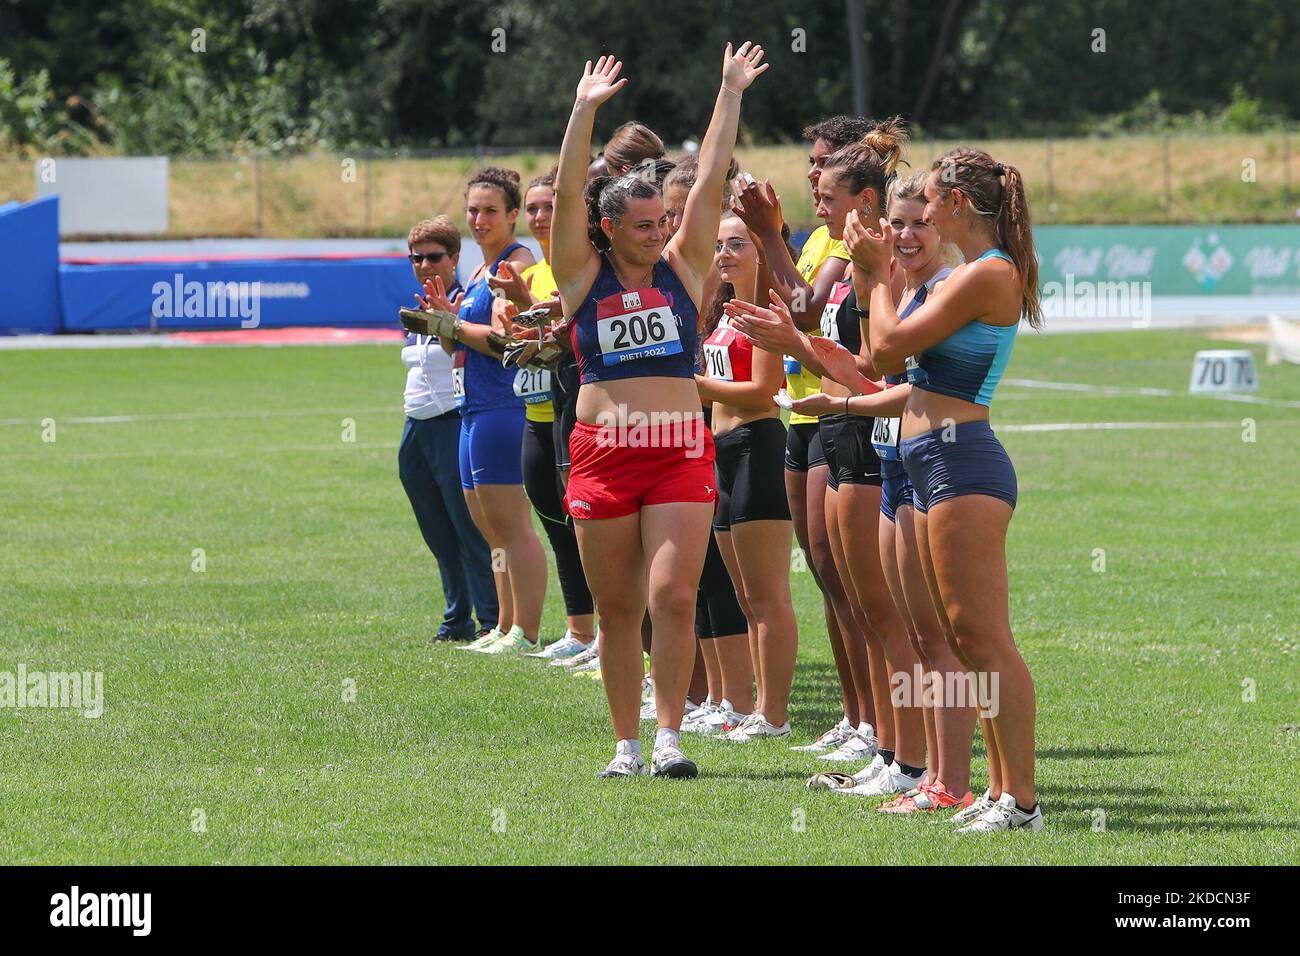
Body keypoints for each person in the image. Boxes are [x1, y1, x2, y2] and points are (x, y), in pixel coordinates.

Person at [551, 46, 768, 779]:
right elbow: (573, 196)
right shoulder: (580, 277)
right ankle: (626, 744)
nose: (656, 232)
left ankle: (670, 737)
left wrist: (728, 92)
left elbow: (710, 177)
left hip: (679, 449)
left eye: (659, 222)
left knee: (674, 594)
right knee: (618, 611)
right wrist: (583, 111)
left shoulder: (683, 268)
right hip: (603, 452)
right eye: (642, 225)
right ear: (609, 228)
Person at [844, 147, 1044, 831]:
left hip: (963, 463)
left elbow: (889, 348)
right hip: (932, 459)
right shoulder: (968, 274)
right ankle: (995, 792)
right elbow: (886, 358)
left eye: (929, 201)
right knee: (961, 639)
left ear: (957, 204)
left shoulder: (988, 274)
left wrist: (874, 274)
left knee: (984, 638)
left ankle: (1021, 799)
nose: (920, 215)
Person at [732, 116, 881, 762]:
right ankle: (856, 719)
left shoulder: (854, 242)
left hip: (846, 415)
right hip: (806, 413)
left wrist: (767, 234)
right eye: (811, 161)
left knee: (854, 582)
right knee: (827, 575)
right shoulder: (822, 235)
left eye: (823, 162)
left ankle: (882, 726)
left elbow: (806, 311)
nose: (813, 172)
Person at [419, 167, 549, 656]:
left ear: (512, 215)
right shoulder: (478, 268)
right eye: (472, 210)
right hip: (471, 408)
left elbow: (504, 343)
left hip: (502, 407)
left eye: (490, 210)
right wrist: (442, 323)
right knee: (490, 528)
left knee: (512, 526)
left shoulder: (515, 265)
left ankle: (526, 631)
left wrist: (448, 324)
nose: (478, 219)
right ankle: (502, 623)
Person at [696, 212, 796, 741]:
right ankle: (750, 706)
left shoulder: (767, 312)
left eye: (738, 244)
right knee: (742, 593)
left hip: (757, 447)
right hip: (723, 452)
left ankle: (773, 714)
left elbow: (763, 393)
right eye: (720, 245)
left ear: (762, 251)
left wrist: (699, 387)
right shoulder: (726, 312)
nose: (725, 254)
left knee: (767, 594)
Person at [489, 168, 597, 661]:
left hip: (583, 406)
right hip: (543, 410)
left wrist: (528, 309)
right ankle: (579, 631)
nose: (538, 217)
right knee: (557, 522)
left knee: (591, 524)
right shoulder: (530, 273)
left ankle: (609, 638)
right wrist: (517, 329)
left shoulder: (582, 264)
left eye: (547, 207)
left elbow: (574, 336)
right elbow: (518, 344)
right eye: (532, 208)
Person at [397, 216, 499, 643]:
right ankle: (456, 616)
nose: (423, 264)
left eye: (433, 256)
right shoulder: (418, 304)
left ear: (455, 257)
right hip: (415, 425)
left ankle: (492, 618)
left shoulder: (466, 302)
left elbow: (482, 348)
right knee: (436, 530)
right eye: (416, 257)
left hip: (452, 422)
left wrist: (447, 321)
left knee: (469, 528)